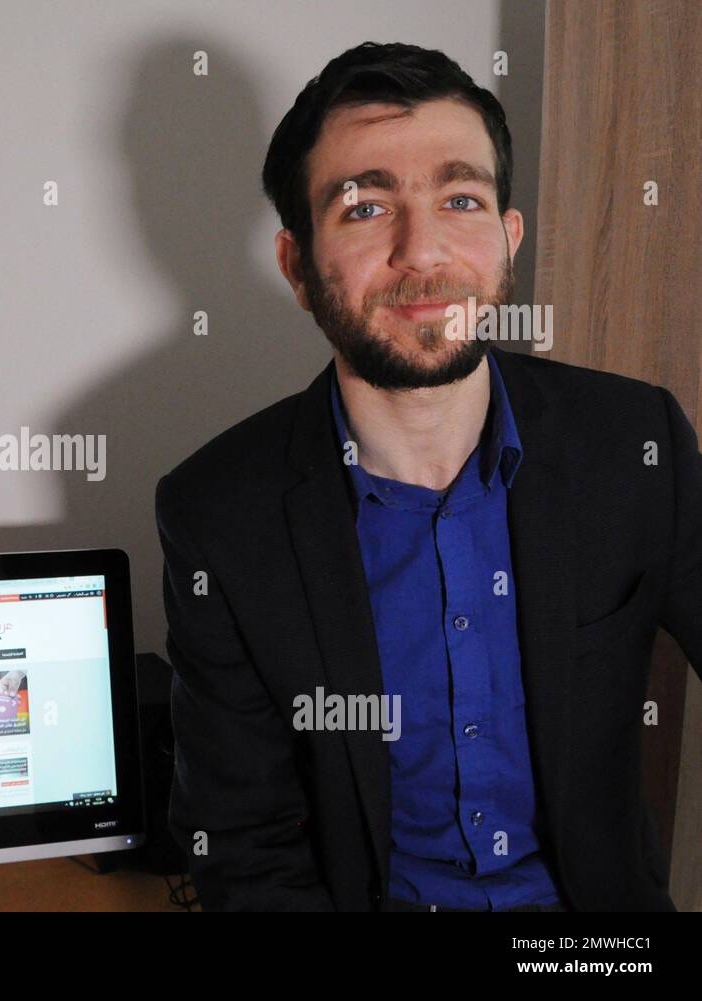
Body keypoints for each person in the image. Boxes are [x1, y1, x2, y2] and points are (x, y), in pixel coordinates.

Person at [155, 41, 700, 912]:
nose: (423, 251)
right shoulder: (219, 512)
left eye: (460, 199)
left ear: (507, 238)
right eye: (366, 206)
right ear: (298, 265)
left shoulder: (634, 445)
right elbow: (244, 848)